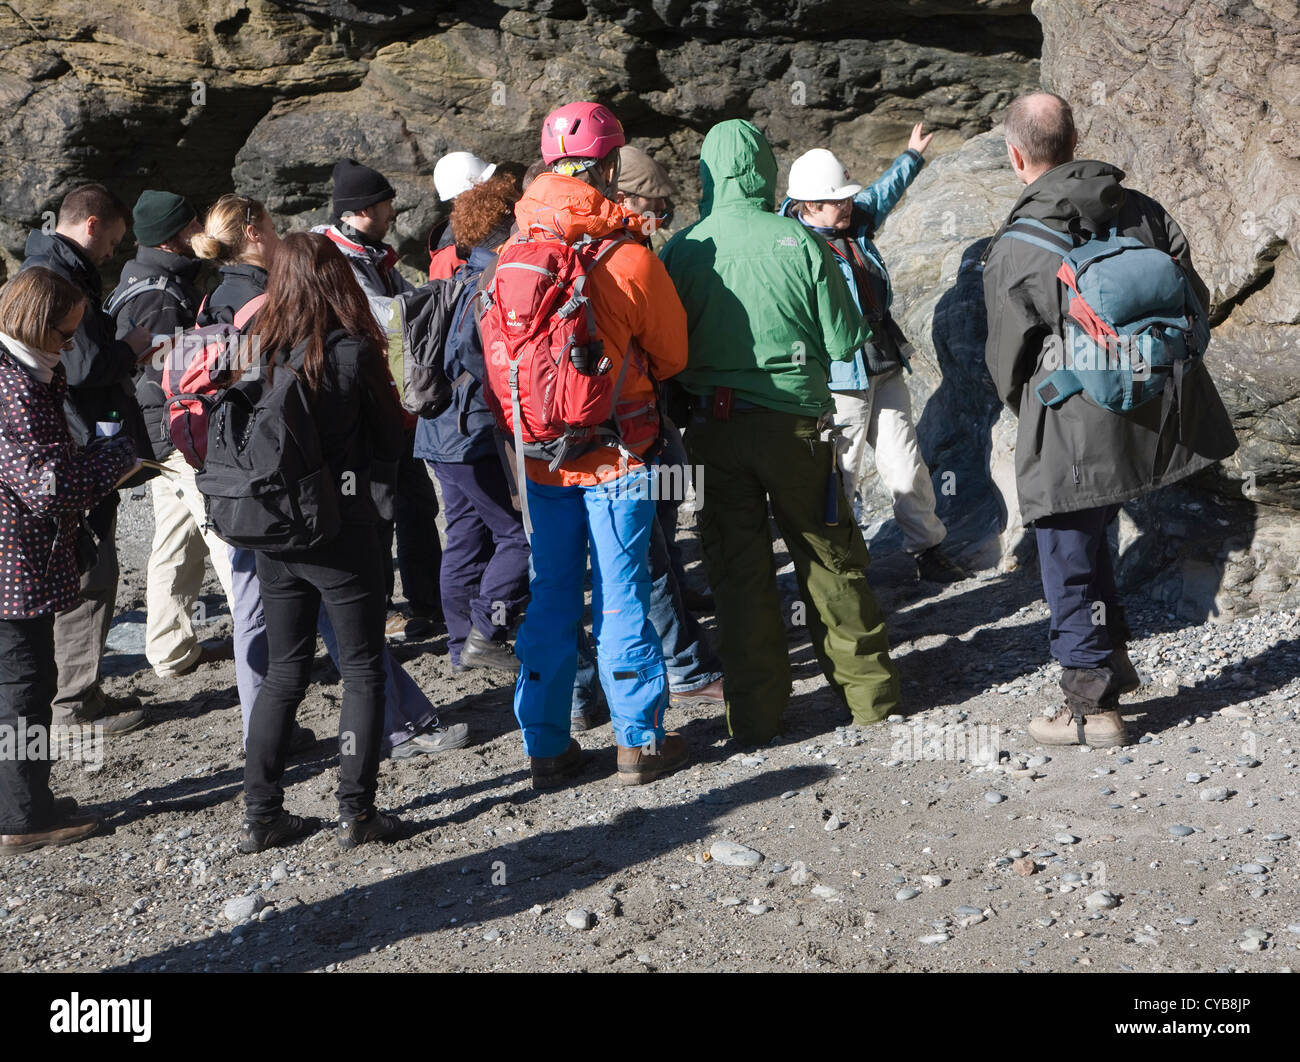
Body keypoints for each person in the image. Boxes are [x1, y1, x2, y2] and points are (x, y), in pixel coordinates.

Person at [983, 92, 1238, 746]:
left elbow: (1007, 357)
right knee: (1093, 537)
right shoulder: (1143, 210)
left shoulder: (1017, 244)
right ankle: (1113, 659)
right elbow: (1195, 301)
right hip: (1153, 406)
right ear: (1075, 139)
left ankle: (1090, 709)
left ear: (1016, 156)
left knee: (1065, 550)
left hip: (1072, 418)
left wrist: (1032, 407)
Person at [193, 196, 464, 763]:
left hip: (256, 505)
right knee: (358, 654)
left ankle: (261, 803)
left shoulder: (224, 311)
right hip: (329, 513)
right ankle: (371, 781)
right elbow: (391, 438)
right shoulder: (334, 344)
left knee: (279, 660)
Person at [660, 119, 901, 746]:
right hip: (797, 428)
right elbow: (848, 338)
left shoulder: (682, 251)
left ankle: (757, 717)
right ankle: (870, 699)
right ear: (767, 172)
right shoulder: (801, 243)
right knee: (830, 559)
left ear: (708, 173)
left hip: (712, 432)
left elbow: (663, 352)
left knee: (737, 574)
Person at [503, 101, 690, 788]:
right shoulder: (628, 253)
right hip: (617, 454)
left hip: (540, 457)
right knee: (621, 596)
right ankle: (637, 743)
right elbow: (672, 355)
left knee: (551, 594)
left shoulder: (516, 250)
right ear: (609, 166)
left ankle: (546, 745)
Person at [238, 231, 405, 852]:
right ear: (337, 281)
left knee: (284, 672)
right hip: (344, 528)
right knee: (362, 669)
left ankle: (262, 814)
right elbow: (393, 440)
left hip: (275, 533)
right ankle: (355, 812)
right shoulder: (352, 353)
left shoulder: (257, 348)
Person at [781, 129, 969, 584]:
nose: (846, 206)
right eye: (835, 202)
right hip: (837, 380)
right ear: (807, 204)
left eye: (846, 199)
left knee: (905, 463)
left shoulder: (855, 220)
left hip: (882, 364)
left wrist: (911, 155)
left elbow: (882, 193)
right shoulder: (790, 246)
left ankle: (928, 549)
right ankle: (838, 566)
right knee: (841, 473)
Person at [0, 267, 140, 855]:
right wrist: (115, 460)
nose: (70, 346)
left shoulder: (26, 371)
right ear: (36, 325)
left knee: (22, 684)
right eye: (65, 334)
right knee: (23, 688)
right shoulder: (16, 386)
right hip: (13, 561)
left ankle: (23, 800)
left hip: (18, 555)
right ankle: (23, 818)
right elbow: (46, 486)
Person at [20, 184, 155, 737]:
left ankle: (76, 693)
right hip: (79, 444)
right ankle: (73, 705)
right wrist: (132, 347)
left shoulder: (51, 266)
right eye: (114, 242)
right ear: (93, 223)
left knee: (84, 568)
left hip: (75, 440)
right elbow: (79, 367)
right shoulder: (59, 278)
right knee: (91, 570)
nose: (112, 254)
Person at [107, 190, 236, 680]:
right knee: (225, 533)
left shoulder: (135, 279)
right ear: (176, 236)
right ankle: (258, 633)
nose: (202, 226)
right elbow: (168, 379)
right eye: (194, 222)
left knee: (175, 542)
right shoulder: (162, 296)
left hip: (154, 438)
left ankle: (169, 650)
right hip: (175, 435)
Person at [315, 159, 443, 643]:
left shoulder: (371, 254)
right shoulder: (338, 260)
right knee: (377, 510)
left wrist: (431, 296)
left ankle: (428, 602)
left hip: (396, 404)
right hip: (367, 408)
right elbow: (384, 314)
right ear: (363, 210)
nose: (393, 210)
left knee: (415, 502)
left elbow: (400, 304)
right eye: (387, 202)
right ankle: (381, 608)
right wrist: (442, 297)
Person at [414, 175, 530, 673]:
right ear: (506, 225)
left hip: (436, 430)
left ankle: (462, 645)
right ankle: (486, 630)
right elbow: (475, 356)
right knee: (518, 537)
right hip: (470, 432)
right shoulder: (492, 283)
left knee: (463, 532)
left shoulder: (457, 277)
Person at [429, 151, 497, 279]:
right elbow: (444, 296)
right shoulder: (449, 255)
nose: (495, 187)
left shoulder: (502, 215)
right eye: (486, 184)